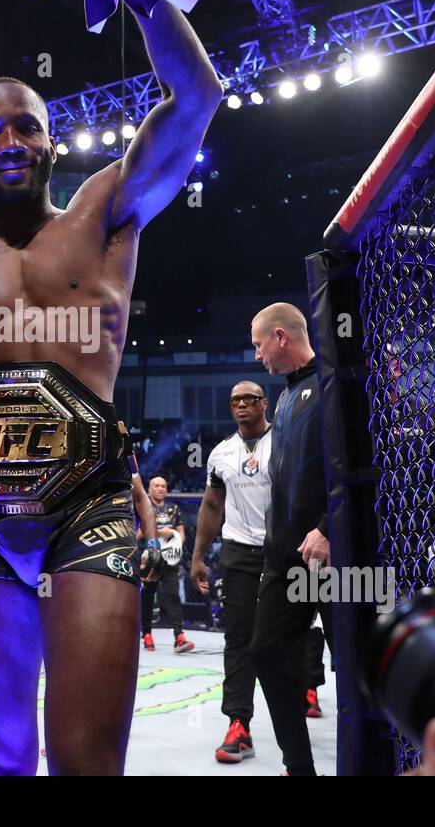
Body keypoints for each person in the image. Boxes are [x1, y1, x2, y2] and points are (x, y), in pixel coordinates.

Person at [0, 0, 221, 775]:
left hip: (91, 512)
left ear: (53, 140)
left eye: (28, 124)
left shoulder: (105, 213)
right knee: (0, 756)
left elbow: (197, 97)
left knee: (87, 763)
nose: (10, 139)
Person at [248, 303, 333, 776]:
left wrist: (327, 526)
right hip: (285, 560)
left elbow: (360, 468)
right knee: (265, 651)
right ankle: (299, 767)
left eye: (260, 343)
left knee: (359, 661)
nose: (257, 354)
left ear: (281, 337)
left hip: (335, 558)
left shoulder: (334, 386)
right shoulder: (283, 399)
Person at [191, 380, 272, 763]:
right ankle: (239, 725)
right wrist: (198, 557)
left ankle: (298, 719)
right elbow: (210, 506)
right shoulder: (221, 453)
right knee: (238, 639)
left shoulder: (285, 441)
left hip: (282, 552)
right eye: (235, 400)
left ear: (263, 403)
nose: (242, 405)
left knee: (283, 642)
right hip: (238, 553)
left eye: (249, 399)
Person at [138, 476, 194, 653]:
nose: (160, 488)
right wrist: (165, 531)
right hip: (149, 557)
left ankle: (179, 636)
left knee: (173, 596)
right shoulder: (143, 505)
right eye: (156, 485)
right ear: (149, 488)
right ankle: (146, 634)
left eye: (163, 486)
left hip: (169, 558)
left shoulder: (173, 509)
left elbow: (181, 534)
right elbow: (140, 533)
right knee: (147, 596)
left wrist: (174, 541)